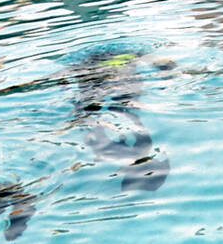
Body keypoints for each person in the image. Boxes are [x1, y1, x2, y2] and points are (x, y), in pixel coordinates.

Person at [69, 50, 171, 193]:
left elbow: (127, 115)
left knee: (126, 94)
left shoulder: (139, 149)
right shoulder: (107, 158)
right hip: (93, 95)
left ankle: (140, 58)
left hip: (104, 90)